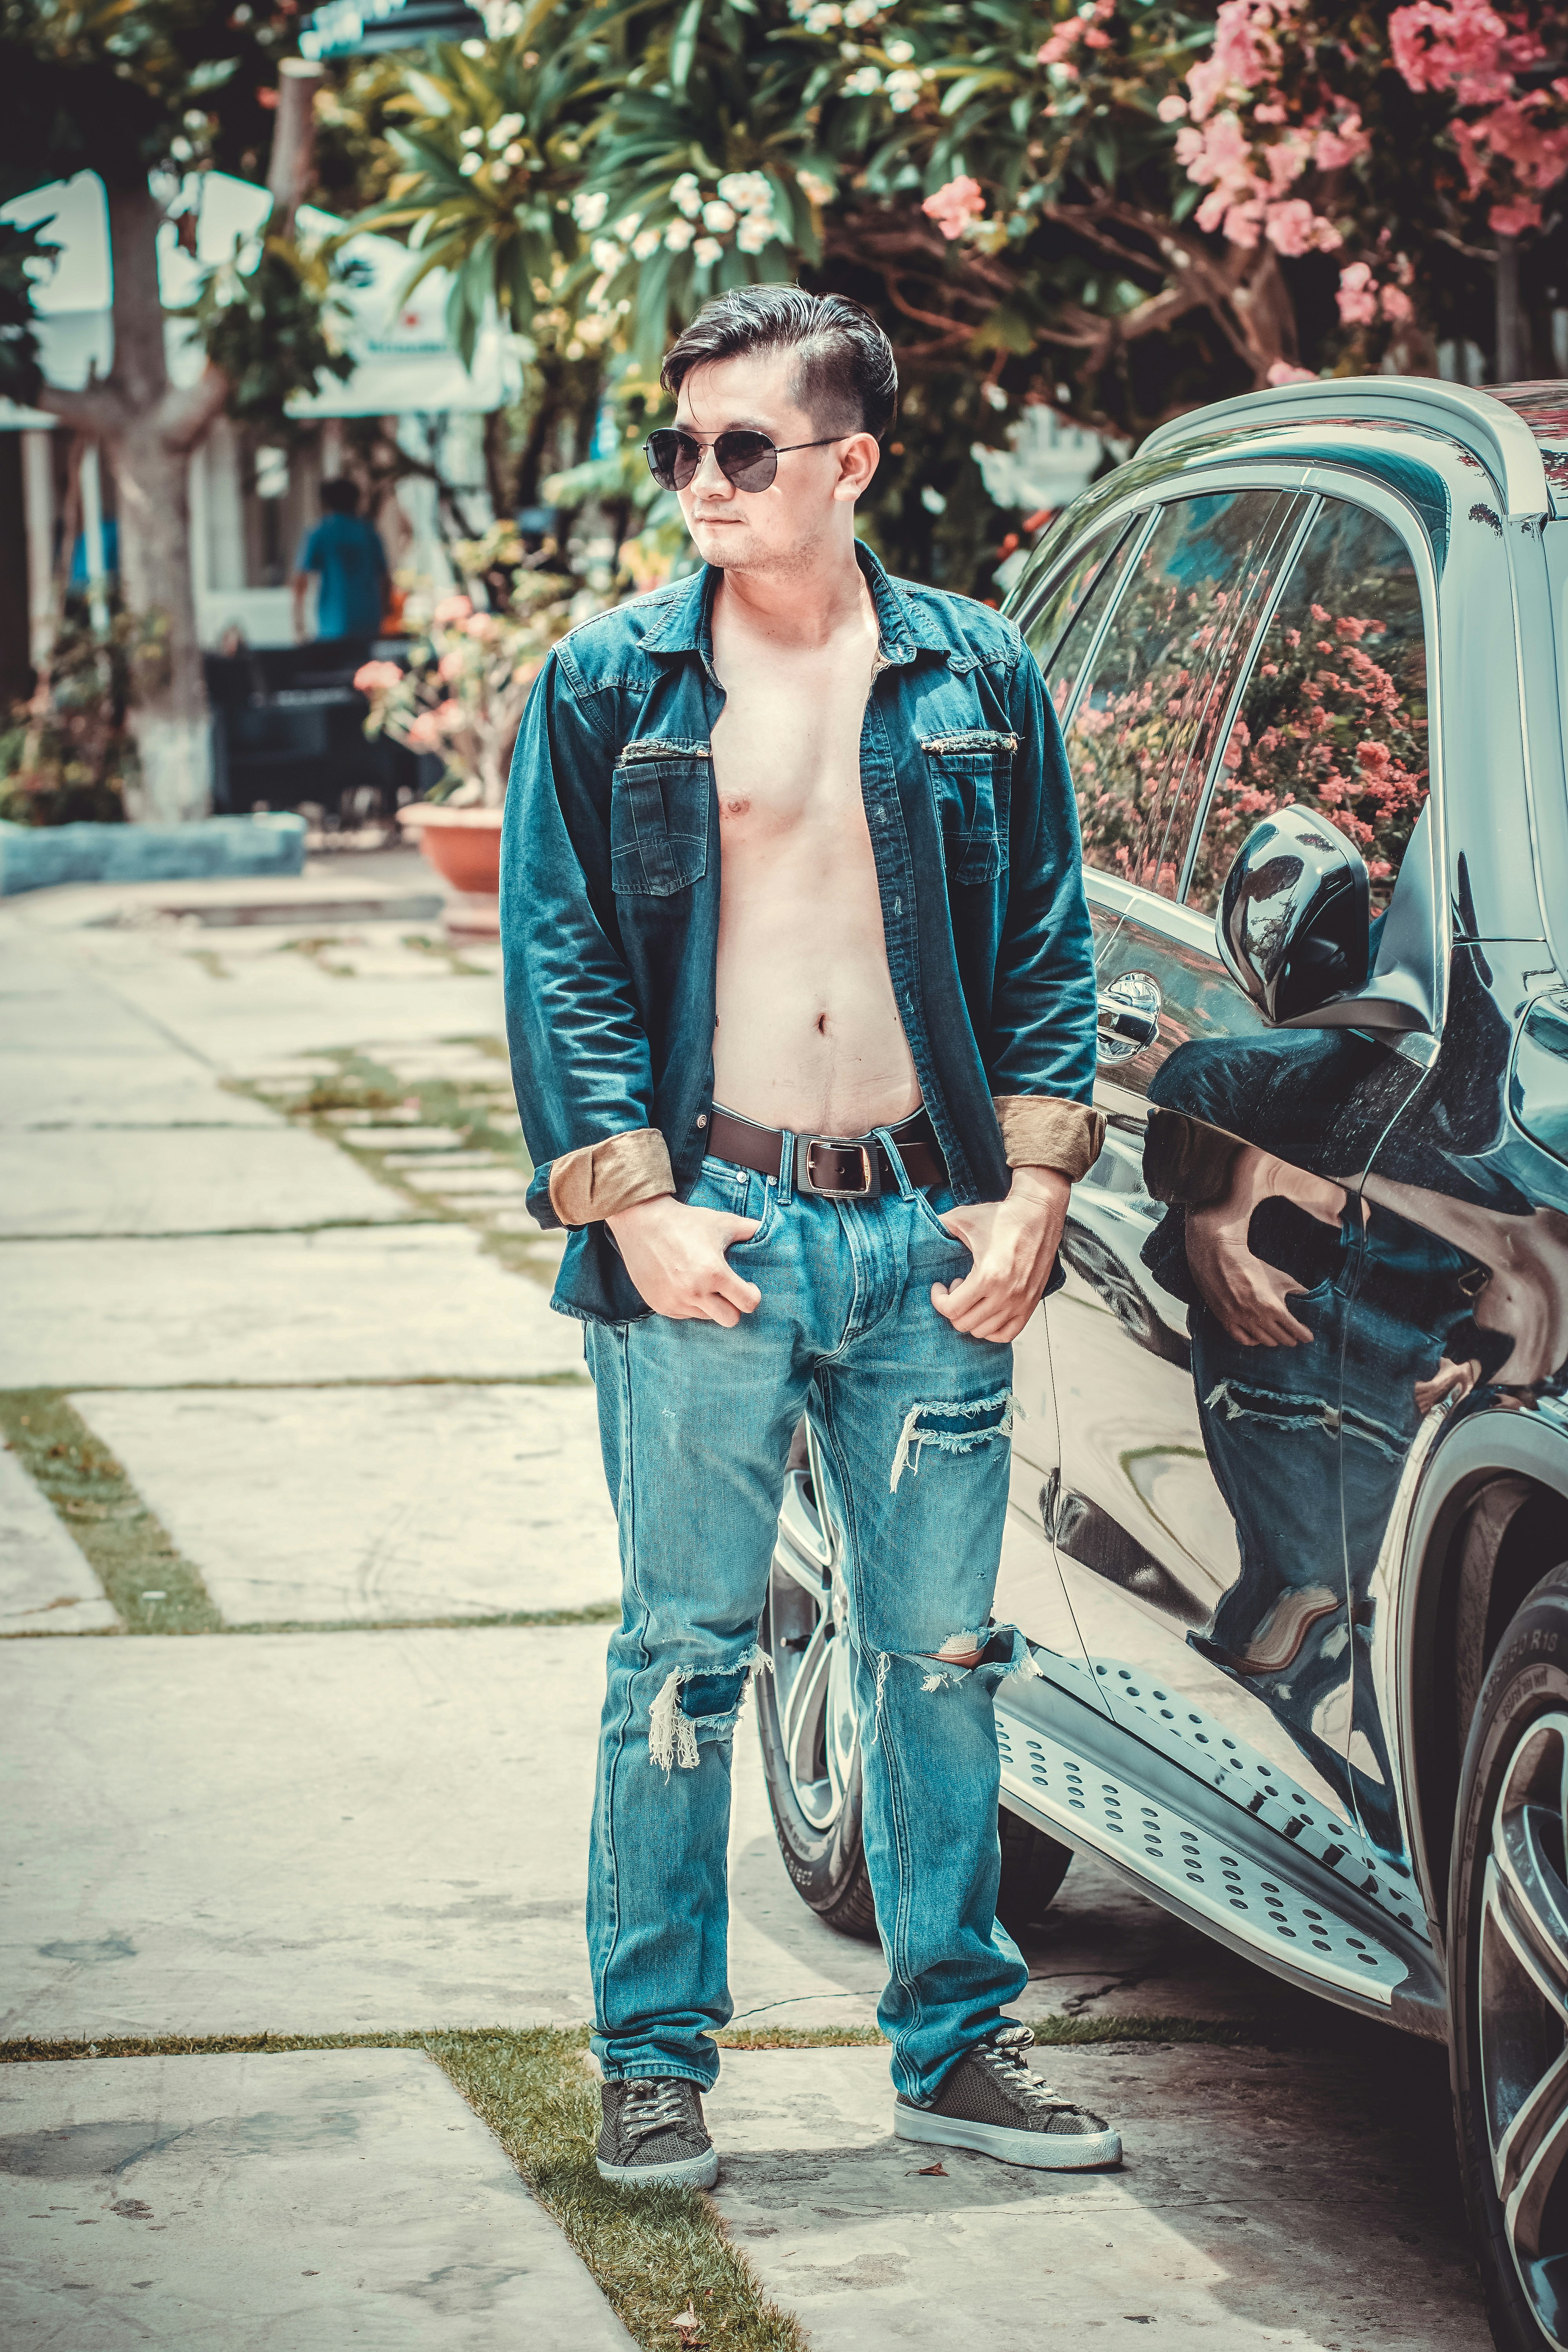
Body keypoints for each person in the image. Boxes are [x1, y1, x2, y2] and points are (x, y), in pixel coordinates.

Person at [501, 286, 1117, 2190]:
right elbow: (563, 963)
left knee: (938, 1651)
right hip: (712, 1236)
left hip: (927, 1238)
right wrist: (640, 1206)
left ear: (849, 463)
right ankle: (655, 2062)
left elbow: (1041, 947)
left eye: (741, 449)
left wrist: (1029, 1193)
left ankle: (952, 2049)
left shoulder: (973, 677)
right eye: (676, 443)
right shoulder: (611, 686)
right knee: (681, 1659)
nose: (698, 479)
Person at [292, 477, 388, 648]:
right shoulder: (369, 534)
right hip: (369, 623)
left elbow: (300, 580)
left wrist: (299, 626)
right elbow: (385, 580)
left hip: (332, 627)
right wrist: (385, 615)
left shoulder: (321, 533)